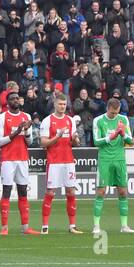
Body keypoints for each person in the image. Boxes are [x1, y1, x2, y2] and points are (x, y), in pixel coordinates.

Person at [39, 93, 83, 234]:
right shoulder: (47, 121)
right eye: (60, 104)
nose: (62, 107)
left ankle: (72, 226)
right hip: (54, 161)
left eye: (64, 104)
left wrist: (75, 139)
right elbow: (43, 143)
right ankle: (45, 226)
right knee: (50, 192)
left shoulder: (70, 121)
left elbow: (75, 144)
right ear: (55, 104)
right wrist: (57, 136)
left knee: (71, 192)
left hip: (68, 161)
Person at [0, 91, 37, 235]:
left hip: (23, 158)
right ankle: (4, 228)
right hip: (8, 159)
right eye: (12, 99)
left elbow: (29, 142)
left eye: (17, 98)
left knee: (23, 191)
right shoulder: (2, 117)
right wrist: (17, 131)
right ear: (7, 102)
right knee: (6, 191)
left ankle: (25, 227)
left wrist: (26, 132)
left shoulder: (26, 117)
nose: (16, 100)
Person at [92, 97, 134, 235]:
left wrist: (123, 134)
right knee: (101, 192)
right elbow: (96, 141)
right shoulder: (98, 120)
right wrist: (111, 136)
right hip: (105, 159)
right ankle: (96, 226)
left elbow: (131, 140)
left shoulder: (123, 119)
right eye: (112, 113)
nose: (114, 115)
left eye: (116, 113)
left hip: (120, 159)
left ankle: (124, 226)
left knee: (123, 192)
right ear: (107, 109)